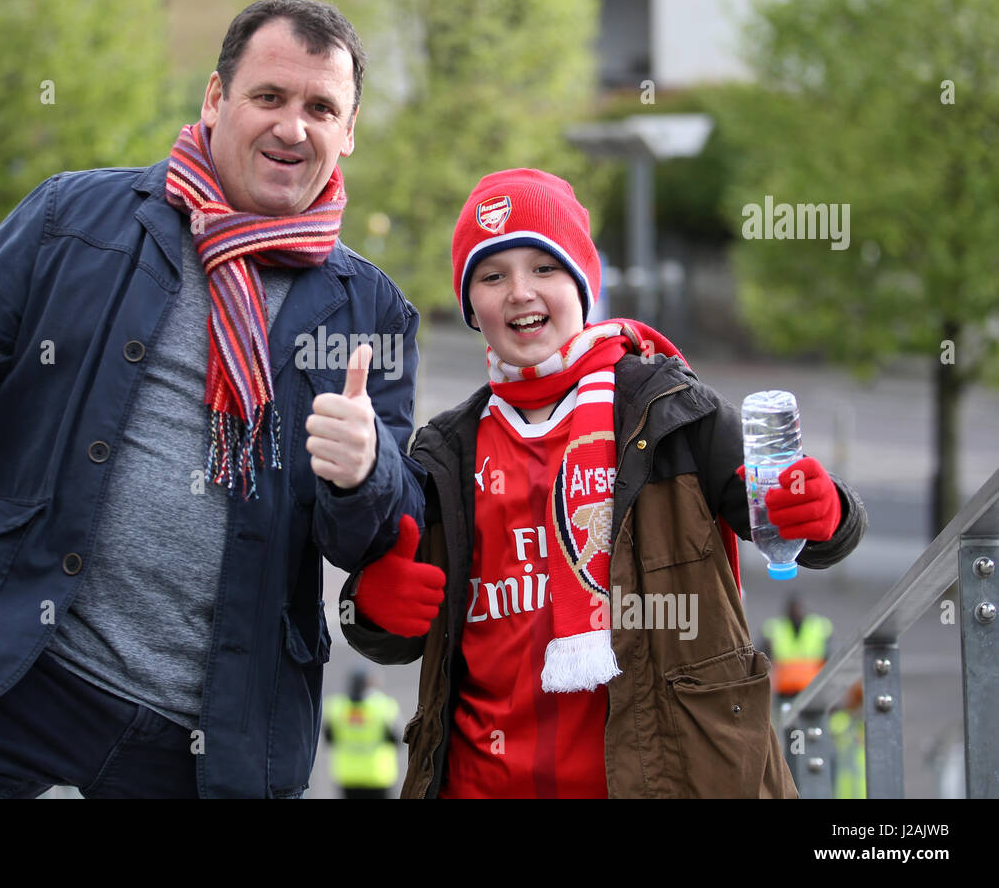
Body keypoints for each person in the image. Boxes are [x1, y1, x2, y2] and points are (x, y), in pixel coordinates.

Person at [0, 0, 424, 799]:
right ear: (214, 98)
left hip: (207, 734)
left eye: (320, 108)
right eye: (268, 97)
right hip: (3, 665)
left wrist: (364, 469)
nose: (291, 127)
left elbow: (373, 534)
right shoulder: (73, 217)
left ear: (348, 131)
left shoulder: (370, 312)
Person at [341, 169, 869, 798]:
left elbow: (805, 532)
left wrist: (823, 511)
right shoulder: (446, 451)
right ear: (470, 307)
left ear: (583, 283)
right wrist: (371, 606)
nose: (519, 292)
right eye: (492, 275)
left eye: (544, 267)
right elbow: (389, 628)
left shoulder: (671, 411)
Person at [323, 669, 400, 798]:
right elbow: (396, 740)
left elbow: (329, 739)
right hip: (378, 774)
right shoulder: (383, 706)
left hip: (348, 775)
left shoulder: (335, 706)